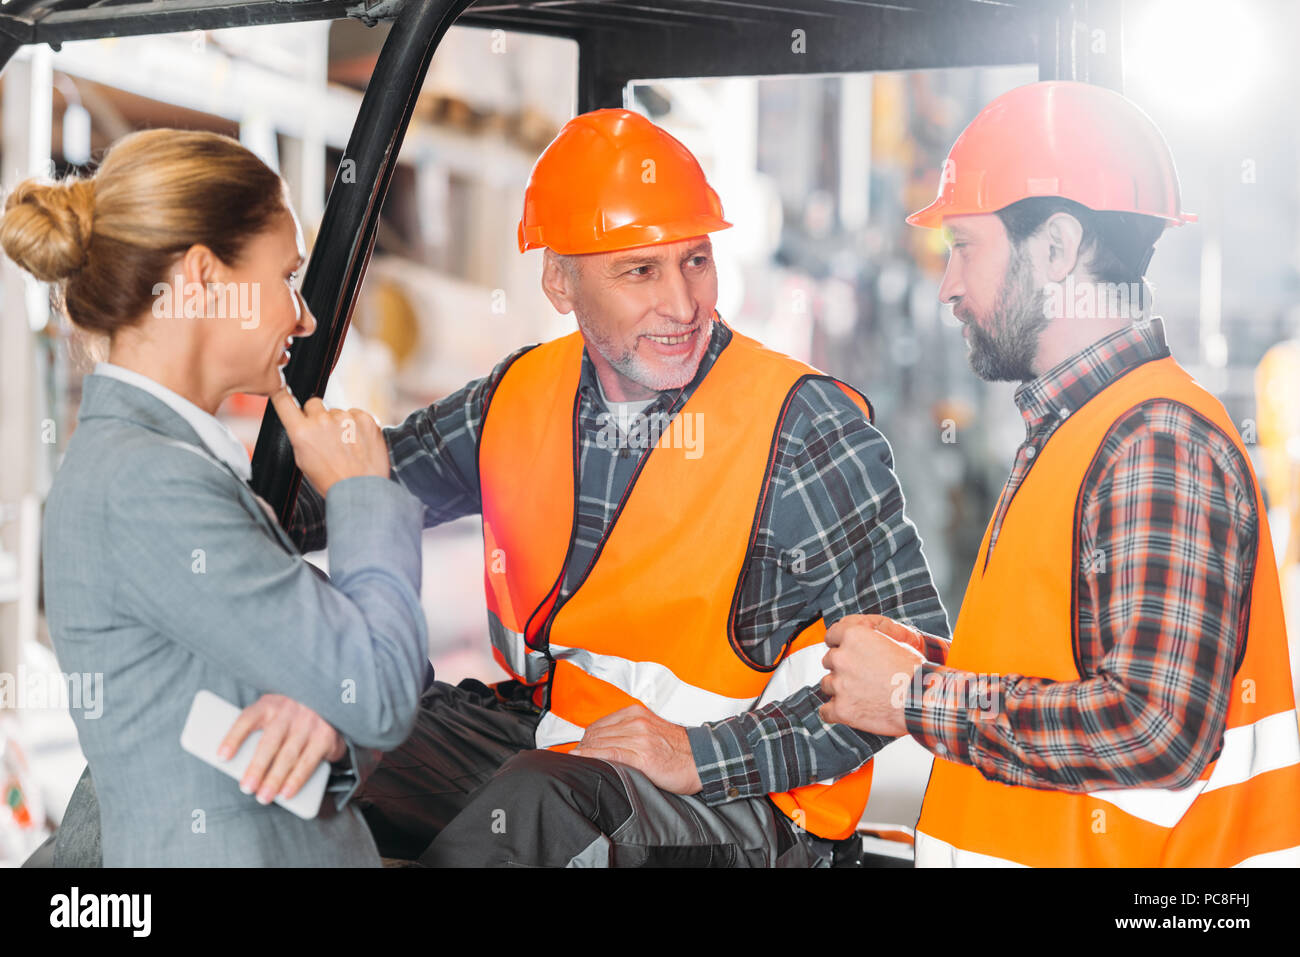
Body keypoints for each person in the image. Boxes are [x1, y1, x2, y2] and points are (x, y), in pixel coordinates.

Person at [289, 108, 949, 867]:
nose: (683, 304)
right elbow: (361, 483)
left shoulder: (803, 429)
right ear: (559, 280)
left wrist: (699, 752)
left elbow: (910, 670)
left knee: (541, 805)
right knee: (347, 720)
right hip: (565, 741)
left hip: (750, 809)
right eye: (640, 270)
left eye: (695, 260)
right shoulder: (520, 396)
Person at [818, 81, 1300, 867]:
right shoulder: (1084, 429)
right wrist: (932, 666)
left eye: (963, 247)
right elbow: (1086, 674)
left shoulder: (1155, 438)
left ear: (1056, 248)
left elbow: (1154, 727)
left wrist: (913, 699)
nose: (946, 284)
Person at [4, 129, 431, 866]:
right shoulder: (150, 483)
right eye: (287, 279)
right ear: (204, 277)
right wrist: (363, 494)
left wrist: (328, 710)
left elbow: (352, 676)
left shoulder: (159, 462)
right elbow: (383, 683)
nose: (304, 316)